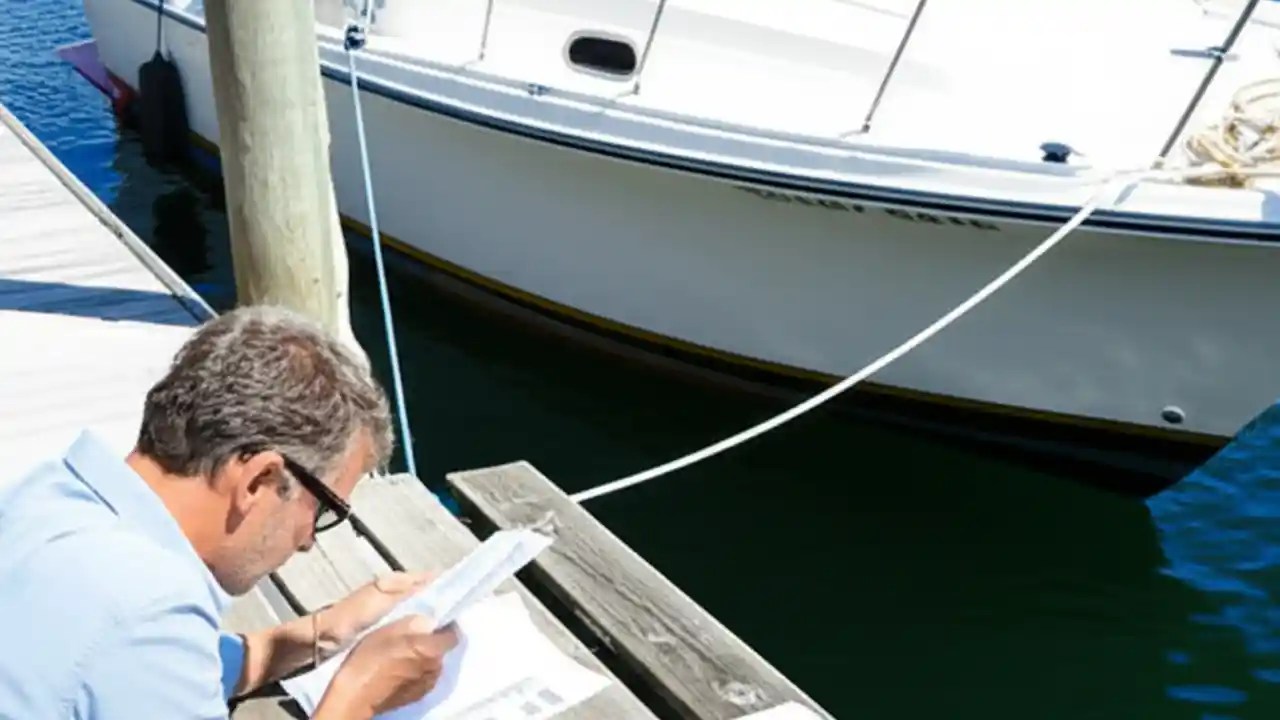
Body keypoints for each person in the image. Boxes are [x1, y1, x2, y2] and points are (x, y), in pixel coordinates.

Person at [0, 305, 458, 719]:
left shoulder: (48, 494)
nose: (308, 541)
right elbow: (138, 644)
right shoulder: (146, 608)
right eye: (322, 510)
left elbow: (156, 670)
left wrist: (321, 632)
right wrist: (361, 695)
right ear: (259, 480)